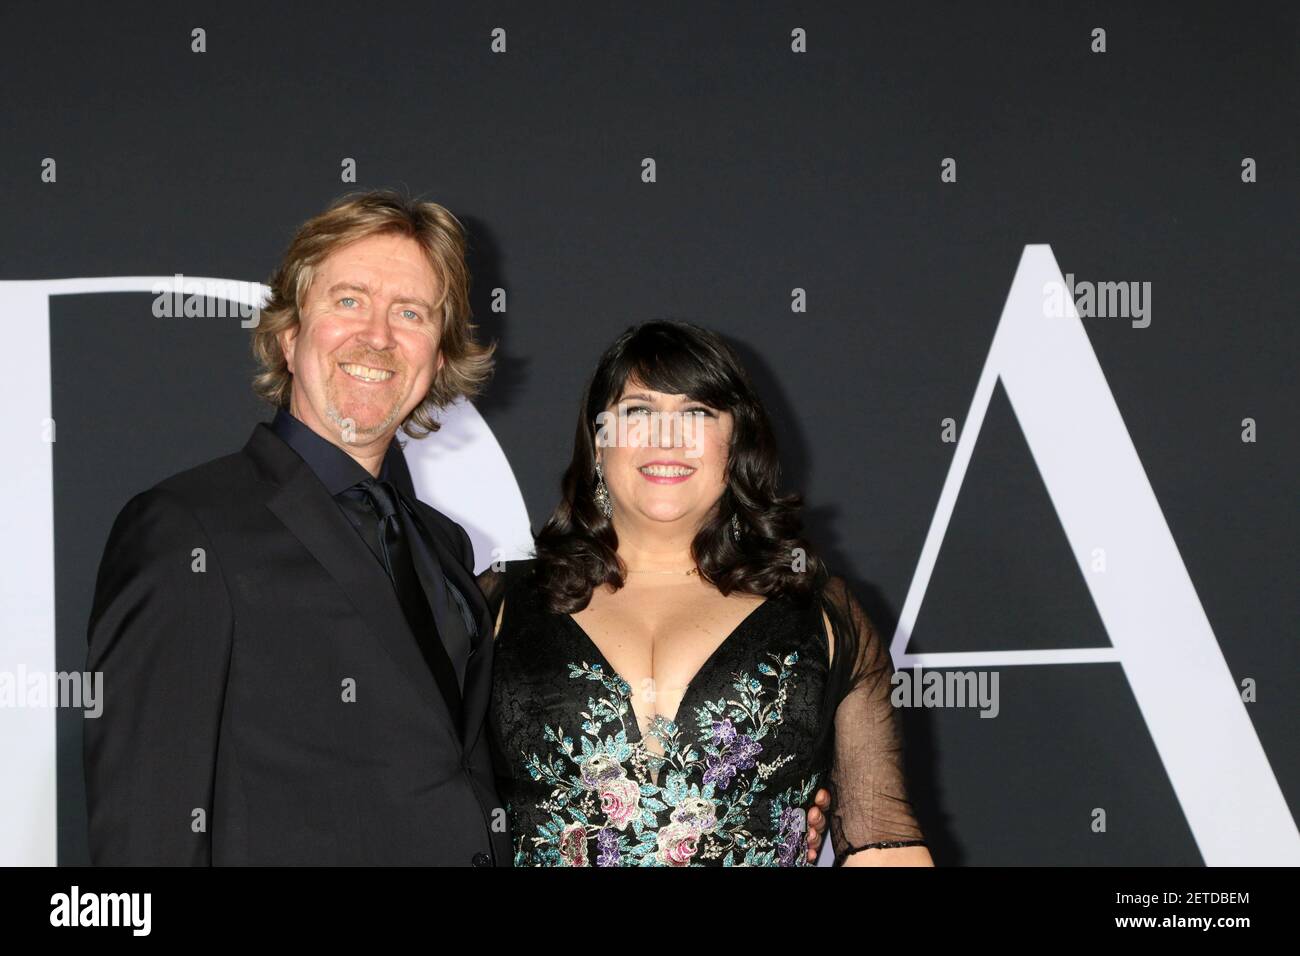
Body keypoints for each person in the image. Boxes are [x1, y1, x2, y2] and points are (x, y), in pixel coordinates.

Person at [82, 190, 832, 865]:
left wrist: (755, 812)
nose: (377, 337)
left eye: (411, 313)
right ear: (288, 334)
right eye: (349, 301)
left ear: (438, 355)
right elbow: (144, 829)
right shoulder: (191, 529)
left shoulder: (442, 547)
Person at [479, 321, 933, 866]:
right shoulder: (497, 605)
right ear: (598, 441)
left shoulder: (820, 613)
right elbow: (418, 799)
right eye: (638, 412)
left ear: (736, 441)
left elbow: (883, 843)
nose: (666, 440)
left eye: (697, 413)